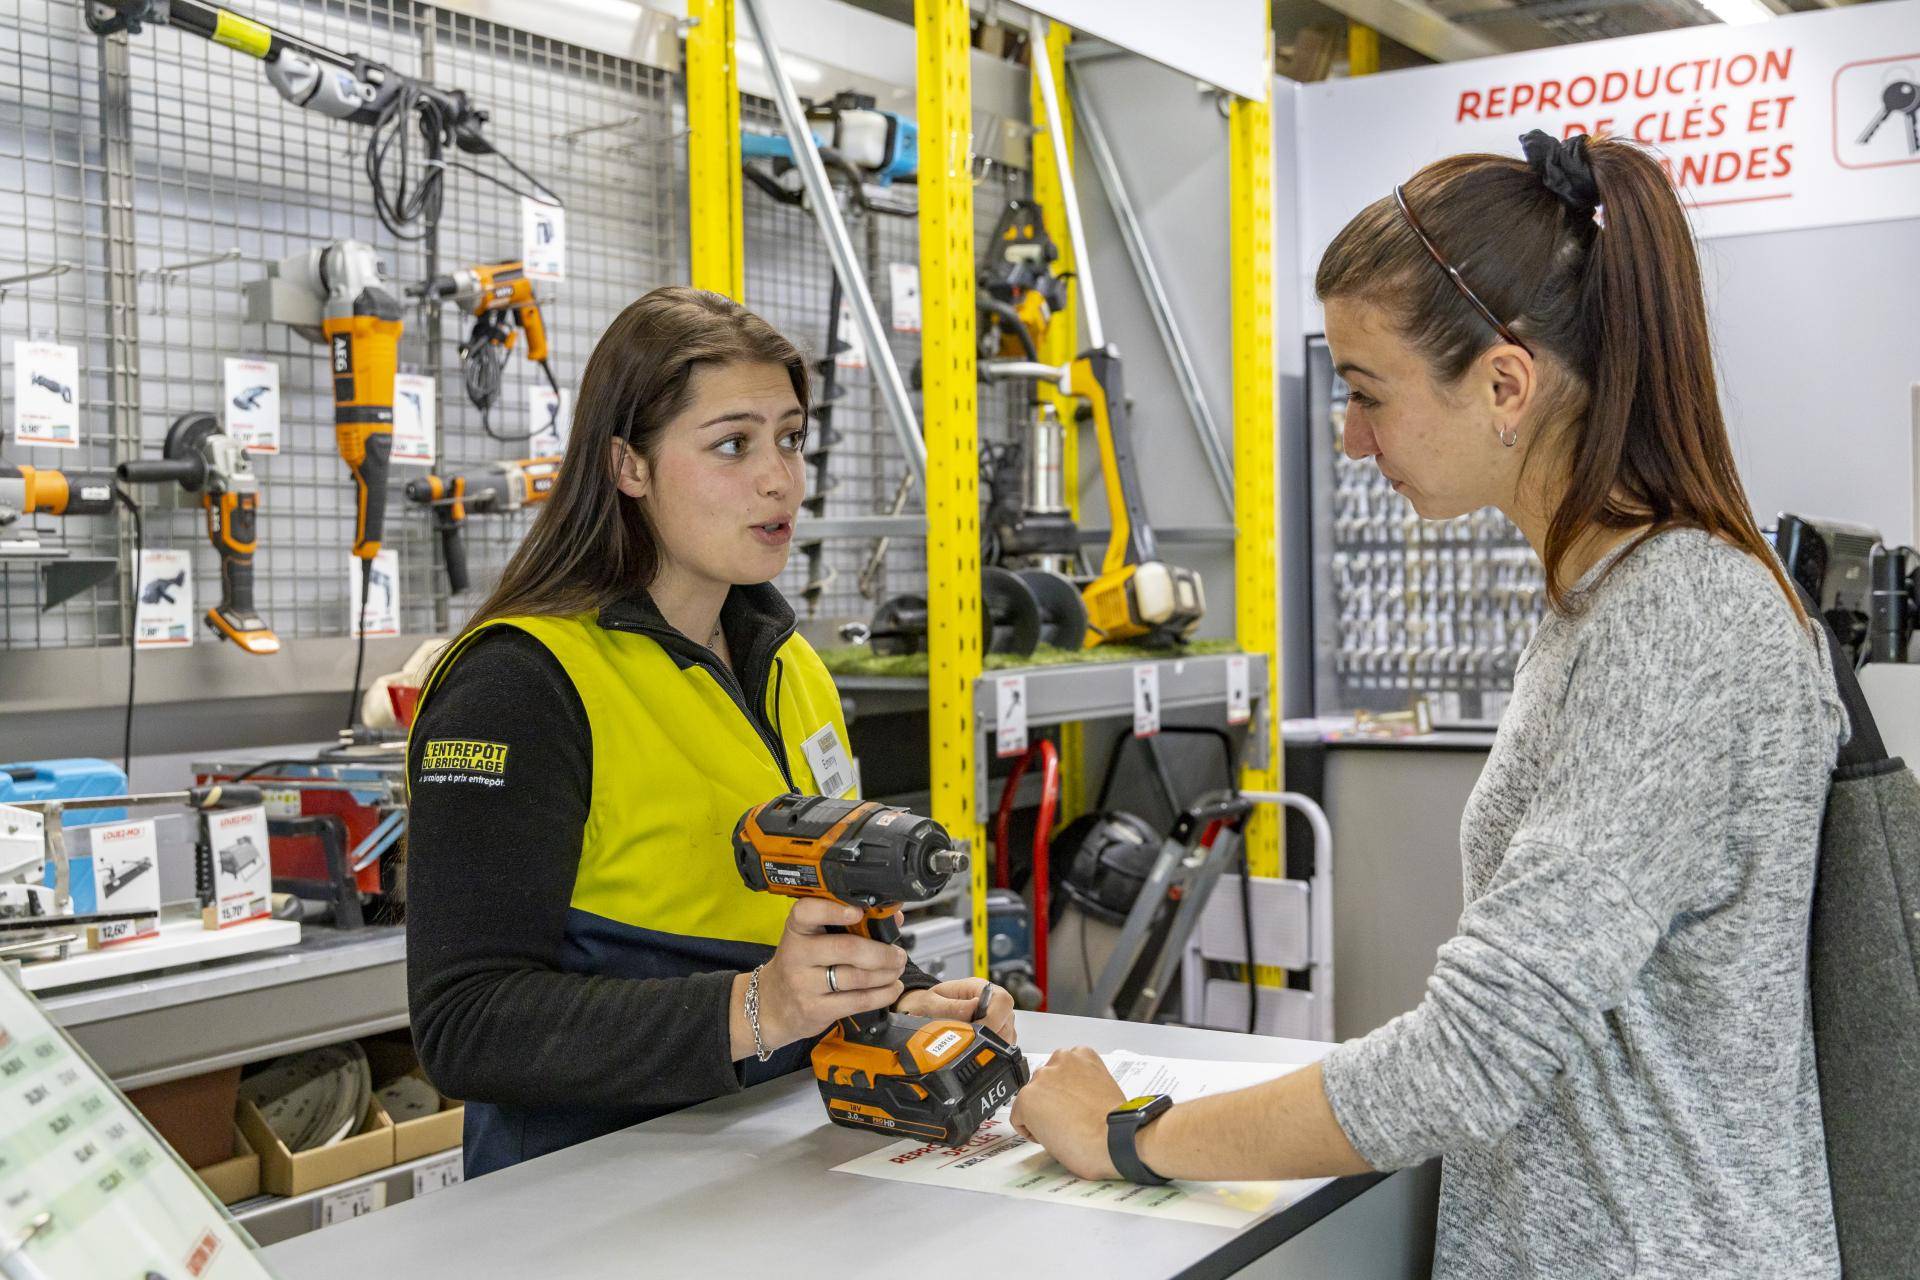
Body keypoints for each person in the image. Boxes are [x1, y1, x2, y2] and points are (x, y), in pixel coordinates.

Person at [1010, 132, 1844, 1277]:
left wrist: (1129, 1136)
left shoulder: (1678, 614)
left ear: (1505, 383)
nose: (1350, 437)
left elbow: (1472, 1055)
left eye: (1367, 392)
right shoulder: (1599, 603)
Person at [405, 286, 1016, 1177]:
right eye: (733, 444)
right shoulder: (518, 686)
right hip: (584, 1198)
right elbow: (466, 1027)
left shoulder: (793, 667)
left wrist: (907, 1000)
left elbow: (819, 923)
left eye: (791, 438)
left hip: (776, 1165)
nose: (780, 478)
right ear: (629, 465)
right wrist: (758, 1009)